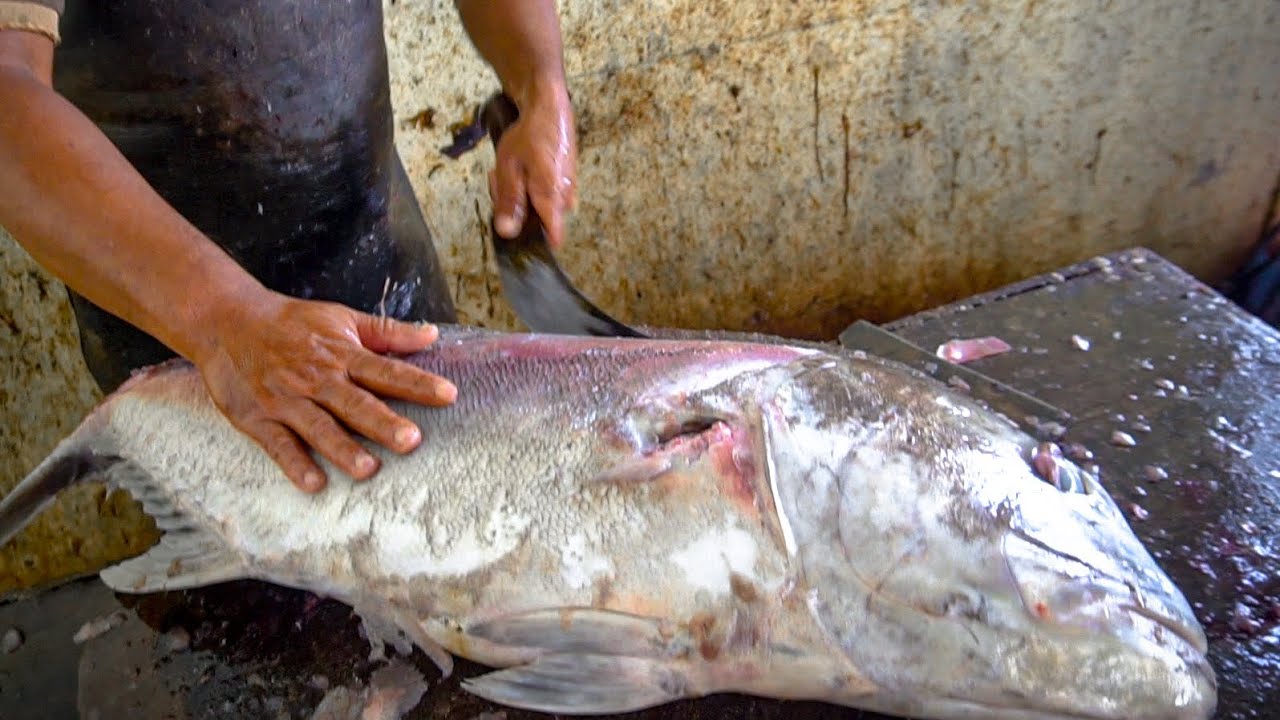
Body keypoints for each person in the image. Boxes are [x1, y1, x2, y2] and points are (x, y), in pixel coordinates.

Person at [0, 1, 578, 493]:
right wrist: (223, 322)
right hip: (186, 332)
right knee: (270, 602)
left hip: (381, 263)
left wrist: (537, 84)